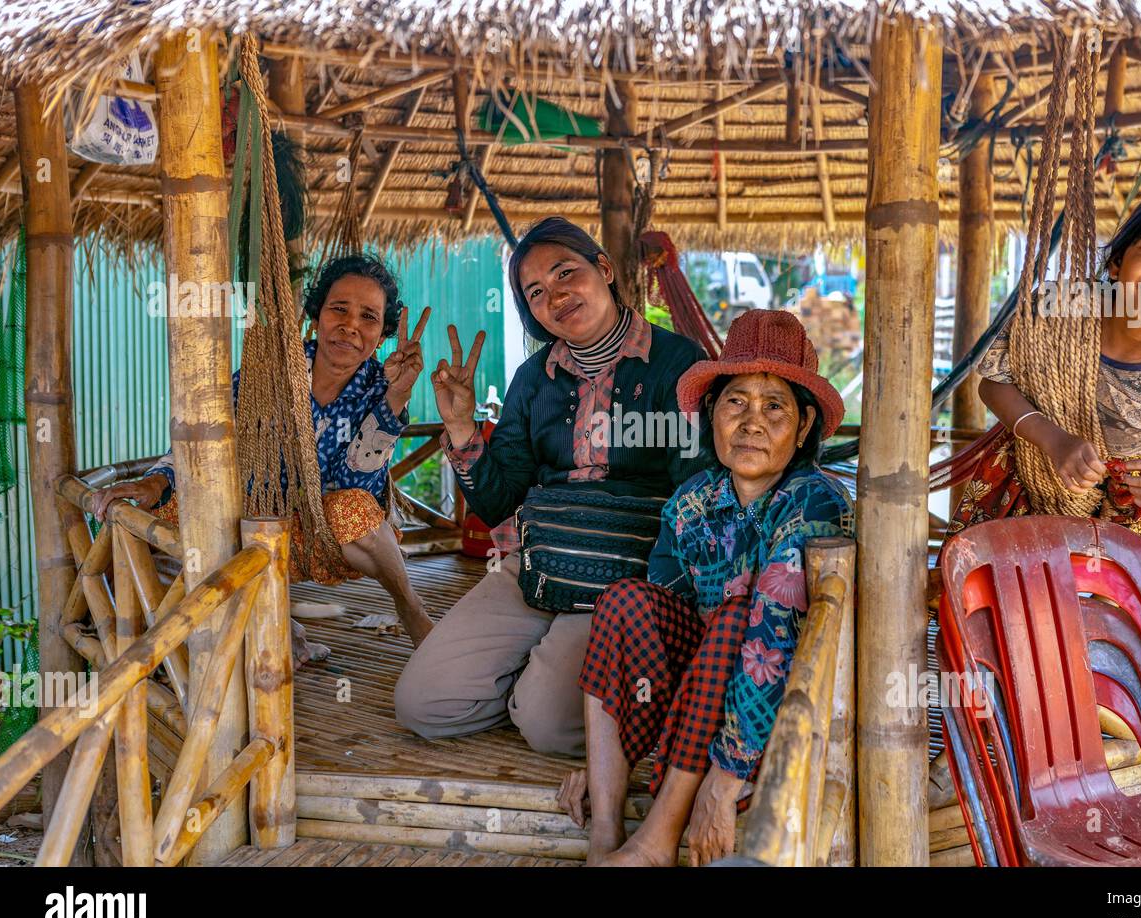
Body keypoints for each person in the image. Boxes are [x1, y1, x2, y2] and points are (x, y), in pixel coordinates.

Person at [393, 217, 707, 756]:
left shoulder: (680, 365)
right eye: (535, 292)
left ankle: (548, 685)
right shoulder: (533, 378)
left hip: (627, 580)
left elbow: (696, 498)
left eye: (566, 273)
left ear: (603, 269)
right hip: (537, 564)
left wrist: (656, 602)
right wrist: (464, 427)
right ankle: (542, 676)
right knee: (424, 705)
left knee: (548, 727)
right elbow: (498, 499)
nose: (555, 296)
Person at [557, 309, 852, 866]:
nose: (752, 422)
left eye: (775, 407)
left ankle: (656, 841)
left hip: (780, 716)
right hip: (696, 701)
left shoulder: (812, 501)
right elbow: (655, 634)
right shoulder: (691, 502)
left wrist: (723, 780)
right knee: (624, 600)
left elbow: (774, 646)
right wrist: (608, 761)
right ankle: (604, 838)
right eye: (735, 401)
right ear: (712, 413)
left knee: (739, 616)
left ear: (805, 426)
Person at [89, 254, 435, 663]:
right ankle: (130, 647)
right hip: (250, 524)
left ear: (381, 337)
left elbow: (356, 482)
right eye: (338, 309)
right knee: (141, 521)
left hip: (325, 538)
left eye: (368, 318)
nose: (350, 326)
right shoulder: (269, 372)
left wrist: (397, 396)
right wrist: (158, 481)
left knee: (353, 509)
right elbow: (208, 441)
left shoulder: (382, 386)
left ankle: (410, 606)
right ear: (317, 315)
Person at [950, 181, 1141, 540]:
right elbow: (994, 382)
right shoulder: (1056, 309)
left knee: (1087, 595)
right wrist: (1054, 440)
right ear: (1116, 262)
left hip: (1121, 512)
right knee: (979, 581)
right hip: (1020, 477)